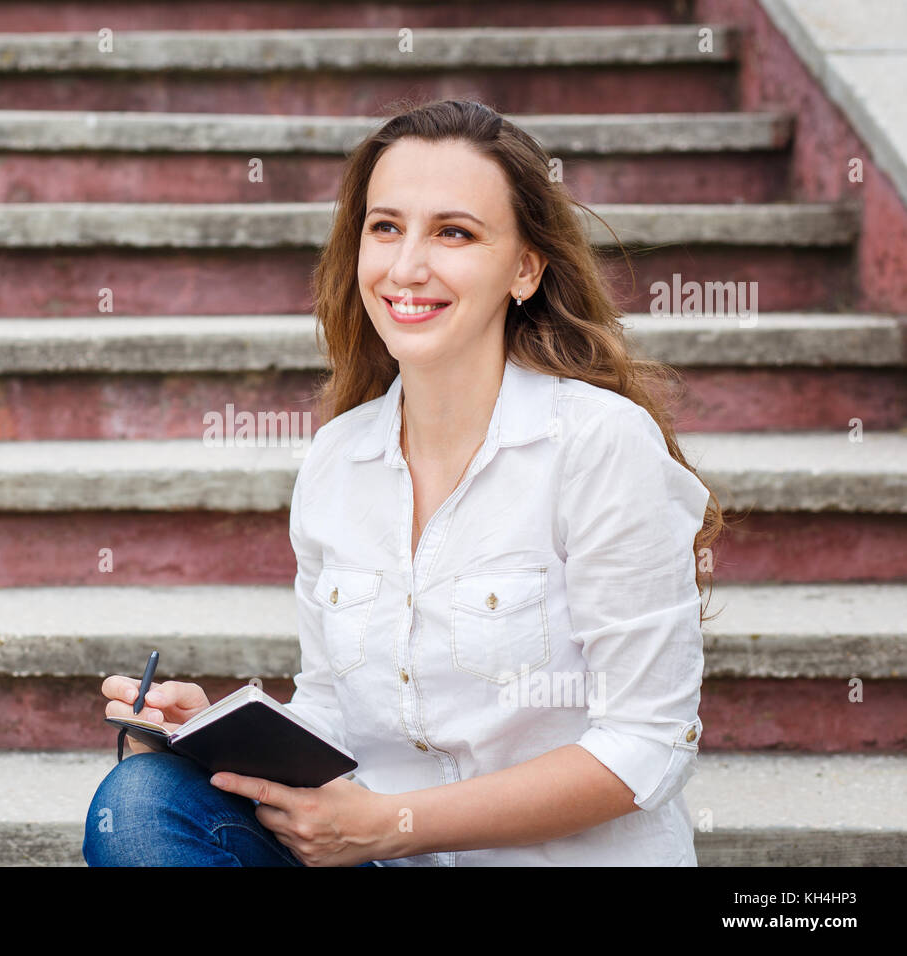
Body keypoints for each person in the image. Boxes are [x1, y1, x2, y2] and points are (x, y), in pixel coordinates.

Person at [83, 97, 724, 867]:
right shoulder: (336, 459)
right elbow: (337, 713)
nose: (407, 266)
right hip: (380, 859)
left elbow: (644, 745)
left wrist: (395, 824)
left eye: (453, 232)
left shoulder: (597, 444)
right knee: (143, 801)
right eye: (386, 227)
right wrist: (224, 727)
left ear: (525, 268)